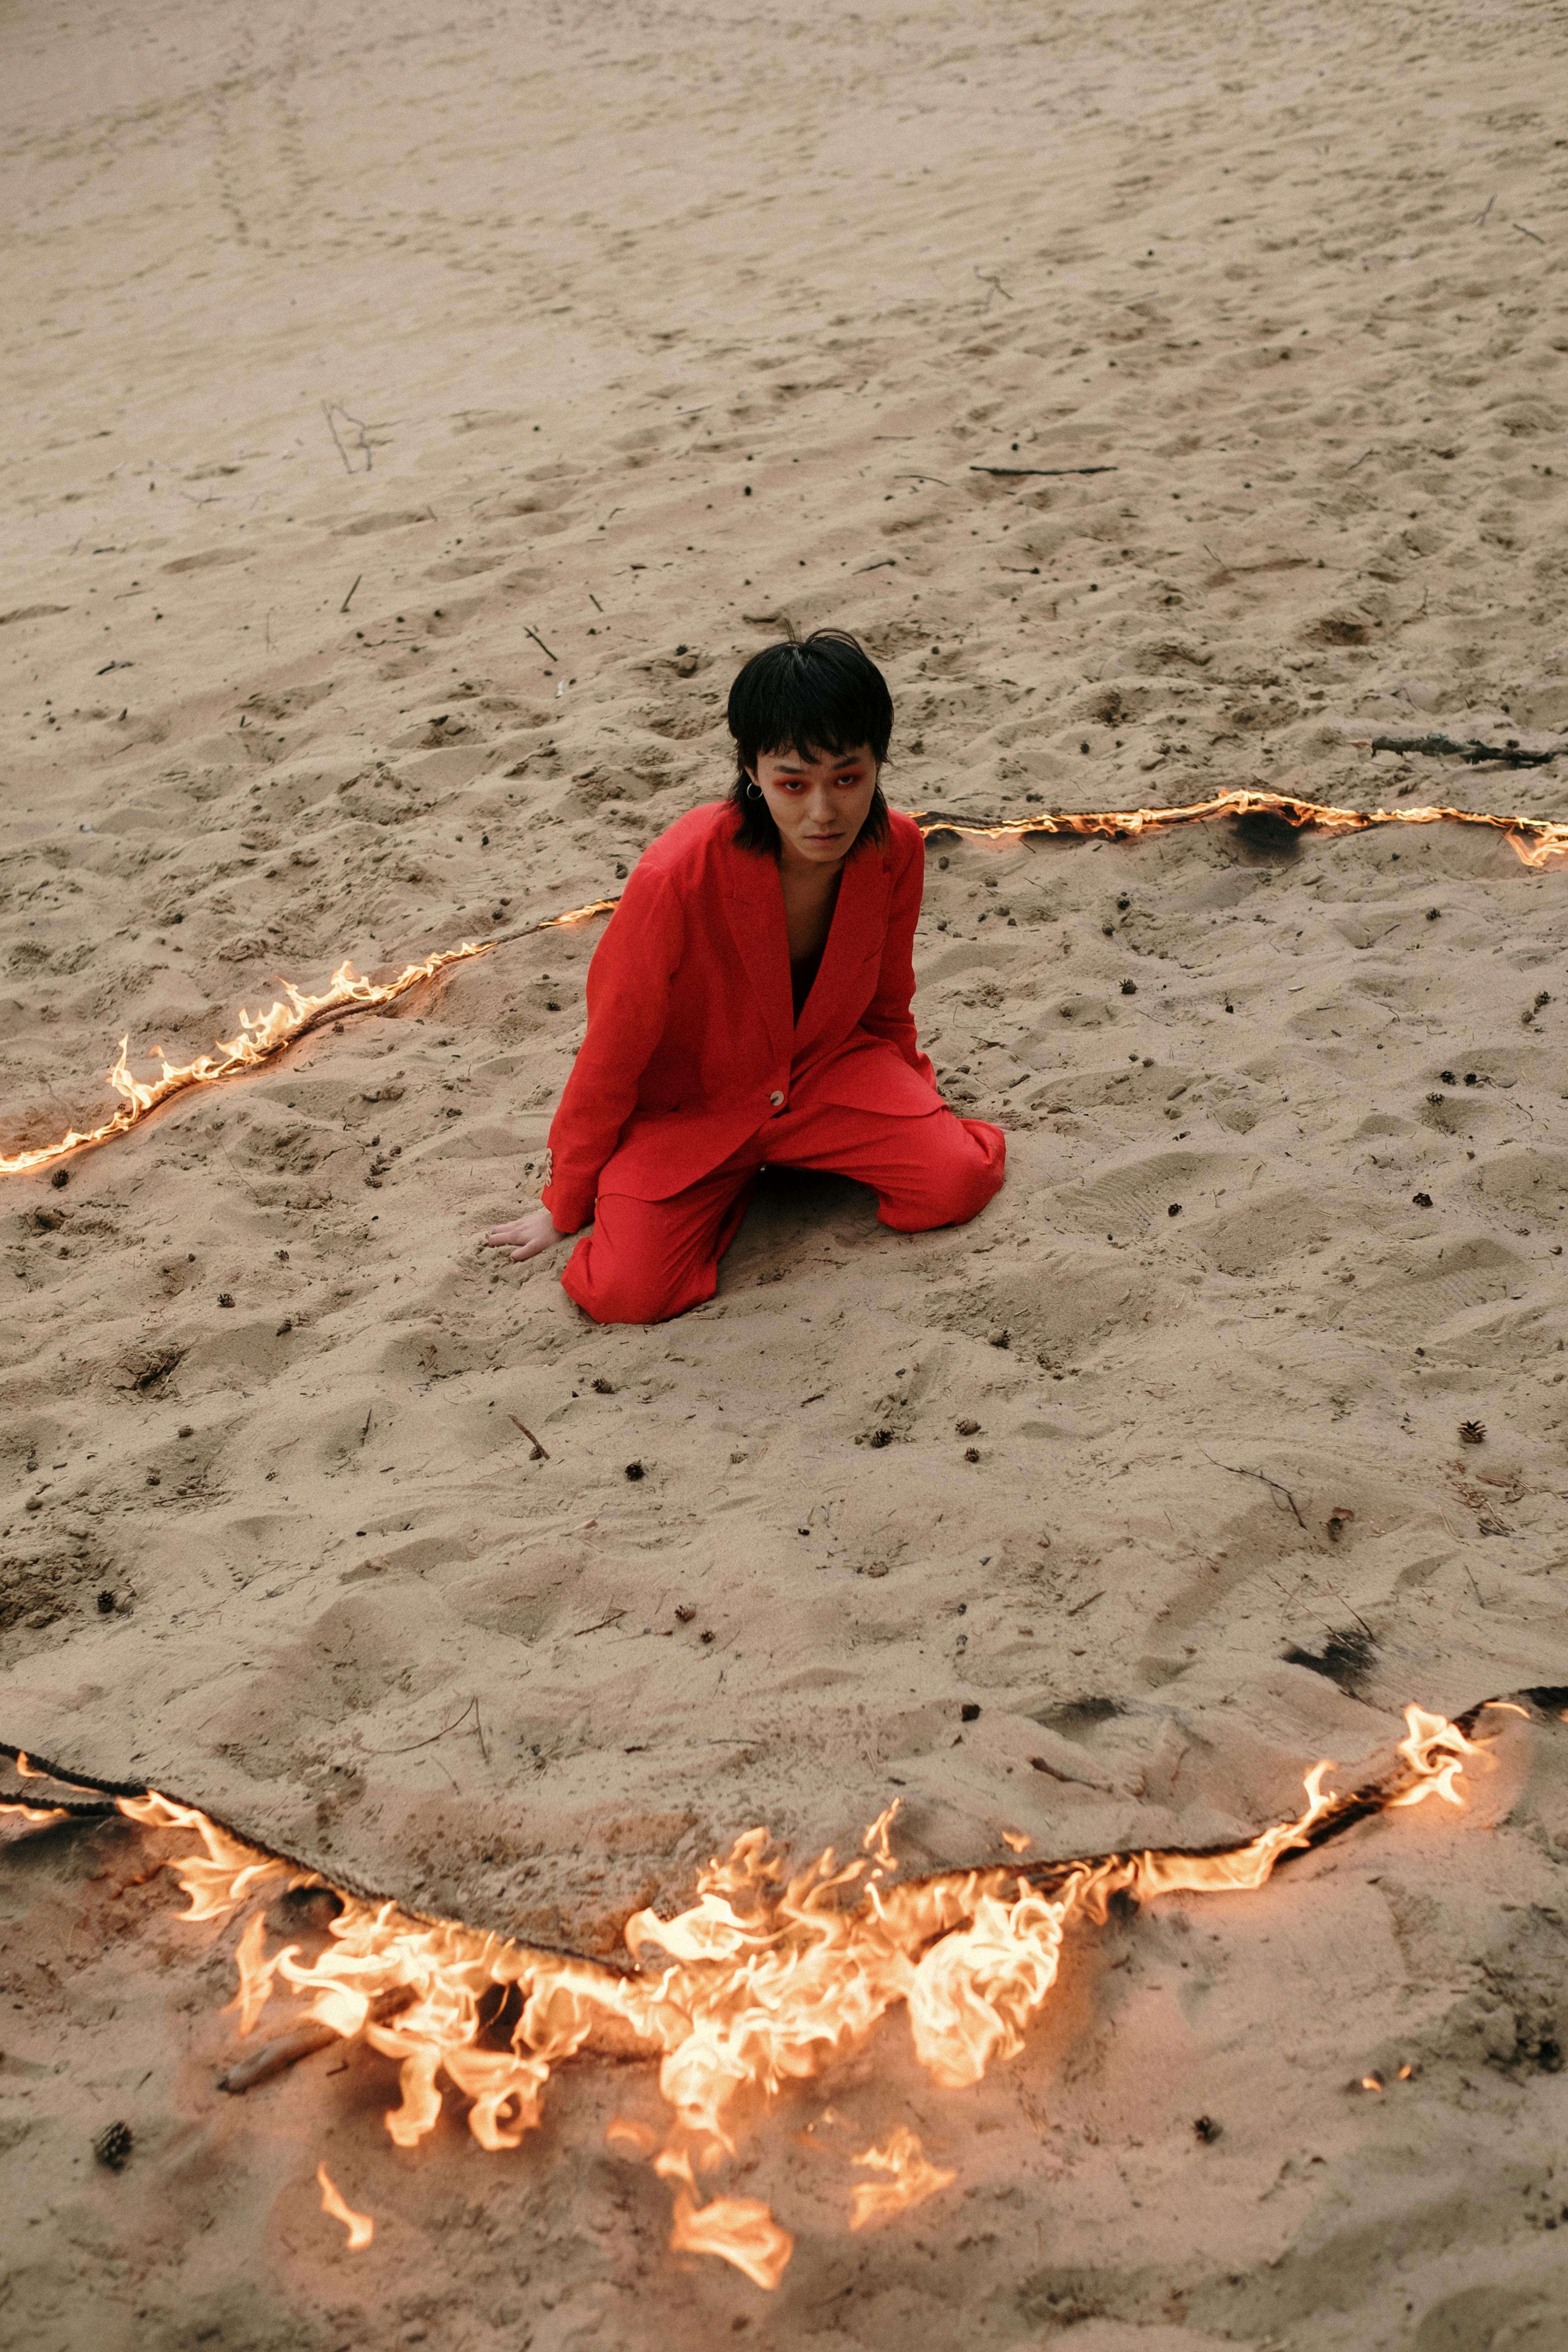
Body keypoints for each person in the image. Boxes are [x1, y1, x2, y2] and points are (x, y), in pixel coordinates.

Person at [482, 628, 1005, 1323]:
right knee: (627, 1294)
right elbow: (613, 1046)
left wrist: (913, 1109)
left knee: (957, 1181)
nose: (823, 812)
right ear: (752, 772)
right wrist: (567, 1199)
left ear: (879, 762)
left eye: (847, 778)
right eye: (794, 783)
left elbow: (887, 1004)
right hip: (689, 1111)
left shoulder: (895, 847)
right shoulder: (676, 875)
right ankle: (730, 1183)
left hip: (825, 1074)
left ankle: (794, 1159)